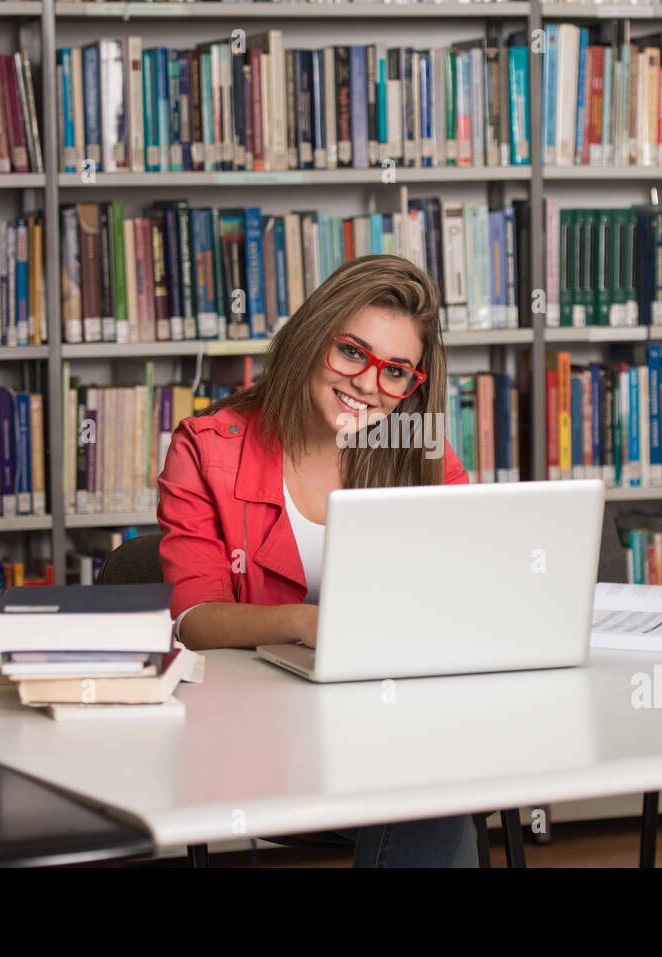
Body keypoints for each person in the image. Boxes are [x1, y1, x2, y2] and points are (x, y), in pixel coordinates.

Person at [156, 254, 479, 867]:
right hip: (260, 723)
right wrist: (307, 623)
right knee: (437, 782)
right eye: (352, 353)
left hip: (396, 712)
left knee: (441, 764)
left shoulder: (419, 452)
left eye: (396, 372)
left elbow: (464, 582)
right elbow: (193, 616)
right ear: (311, 337)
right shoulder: (208, 448)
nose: (367, 385)